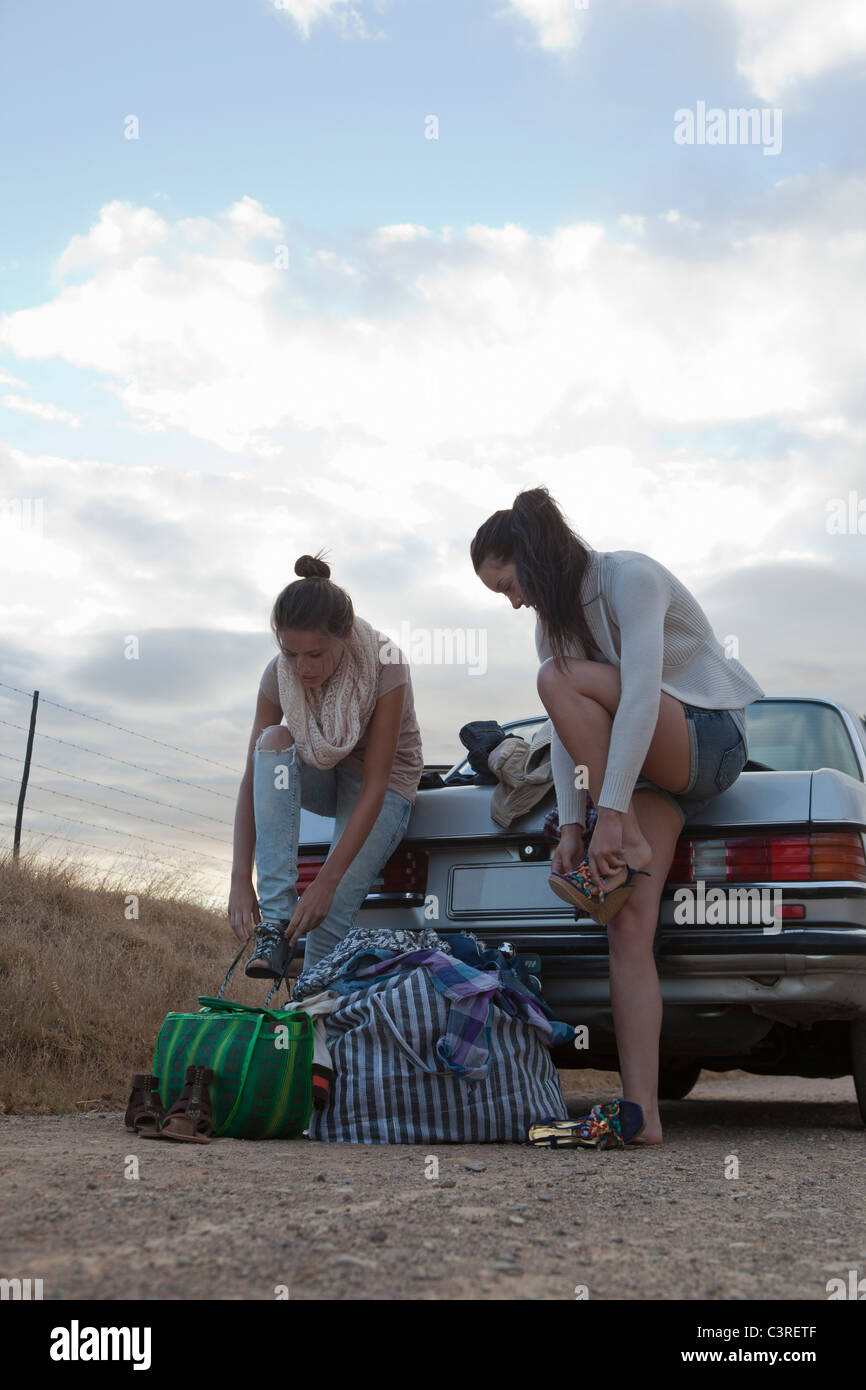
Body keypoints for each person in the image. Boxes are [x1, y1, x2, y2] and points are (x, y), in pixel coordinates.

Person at [470, 487, 764, 1147]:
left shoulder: (632, 579)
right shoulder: (554, 626)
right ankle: (641, 1115)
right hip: (649, 778)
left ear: (534, 557)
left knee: (556, 678)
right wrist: (573, 828)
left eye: (509, 584)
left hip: (706, 739)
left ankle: (622, 835)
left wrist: (610, 817)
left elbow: (635, 699)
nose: (513, 601)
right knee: (627, 923)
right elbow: (573, 731)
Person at [228, 552, 424, 979]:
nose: (303, 668)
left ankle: (311, 1020)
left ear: (346, 634)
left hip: (383, 784)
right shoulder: (279, 675)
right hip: (322, 775)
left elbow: (374, 785)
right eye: (291, 653)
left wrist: (325, 883)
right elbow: (254, 777)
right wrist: (240, 876)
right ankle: (276, 924)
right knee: (273, 740)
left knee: (328, 915)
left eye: (315, 654)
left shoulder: (385, 662)